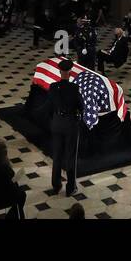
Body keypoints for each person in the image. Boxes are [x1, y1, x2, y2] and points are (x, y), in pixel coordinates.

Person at [46, 60, 83, 196]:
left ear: (59, 72)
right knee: (70, 157)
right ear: (70, 72)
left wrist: (54, 119)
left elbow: (49, 107)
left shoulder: (53, 87)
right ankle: (70, 188)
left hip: (56, 124)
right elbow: (81, 107)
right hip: (70, 125)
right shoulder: (74, 88)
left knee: (57, 156)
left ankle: (56, 186)